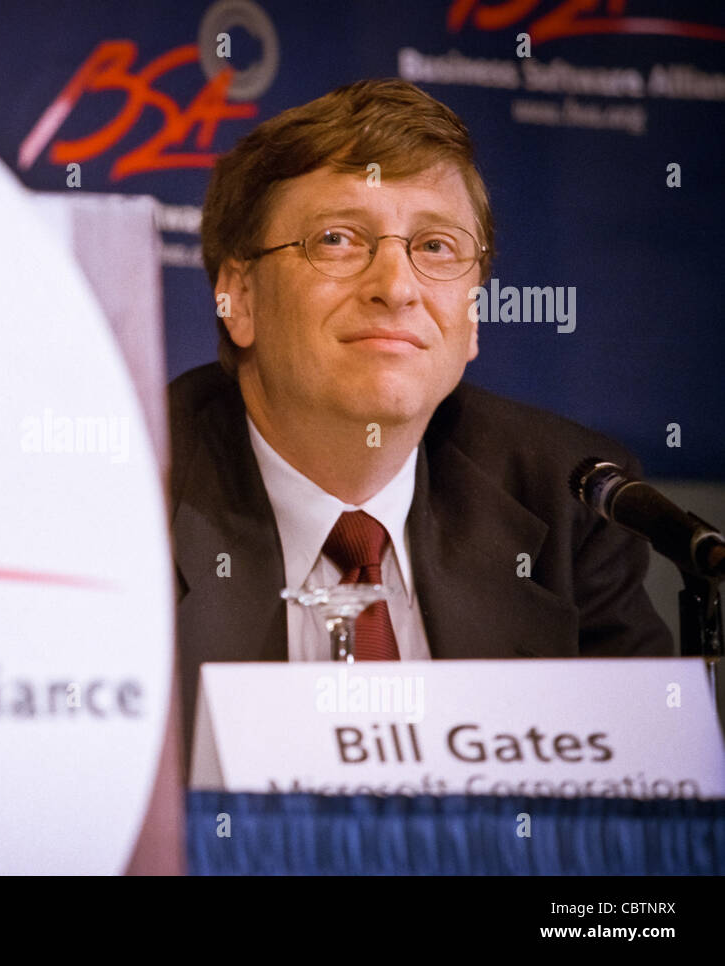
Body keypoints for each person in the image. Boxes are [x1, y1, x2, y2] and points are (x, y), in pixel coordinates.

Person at [172, 78, 673, 767]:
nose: (396, 287)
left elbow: (640, 799)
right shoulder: (124, 498)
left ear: (473, 318)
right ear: (239, 297)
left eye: (436, 247)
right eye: (338, 239)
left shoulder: (567, 500)